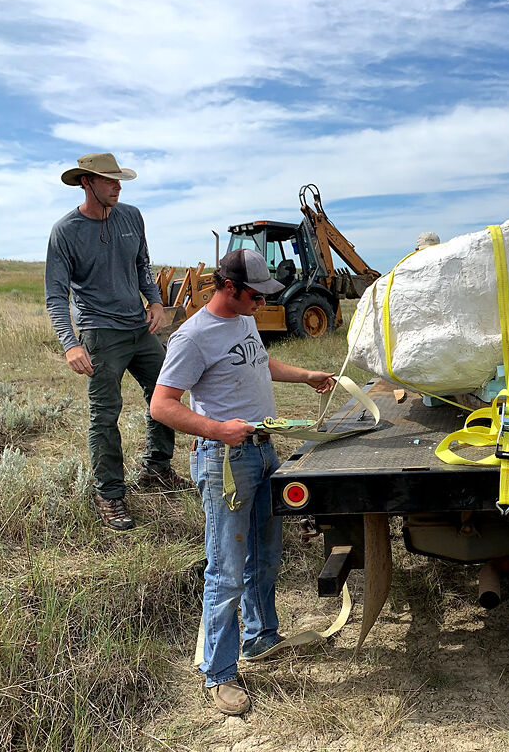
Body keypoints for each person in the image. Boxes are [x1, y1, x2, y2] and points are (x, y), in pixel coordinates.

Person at [150, 248, 335, 716]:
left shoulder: (245, 320)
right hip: (224, 460)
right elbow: (162, 405)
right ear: (227, 288)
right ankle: (219, 673)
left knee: (265, 554)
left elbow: (259, 364)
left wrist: (306, 375)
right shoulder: (191, 338)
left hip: (262, 449)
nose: (263, 302)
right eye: (255, 294)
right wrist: (216, 430)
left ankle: (261, 638)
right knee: (227, 569)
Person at [46, 152, 188, 532]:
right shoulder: (66, 231)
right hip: (99, 332)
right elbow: (56, 295)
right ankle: (108, 493)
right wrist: (70, 343)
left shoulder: (131, 216)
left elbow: (143, 264)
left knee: (166, 394)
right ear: (86, 183)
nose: (118, 186)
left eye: (119, 180)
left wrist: (155, 301)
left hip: (140, 328)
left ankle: (157, 469)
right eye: (109, 180)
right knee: (104, 413)